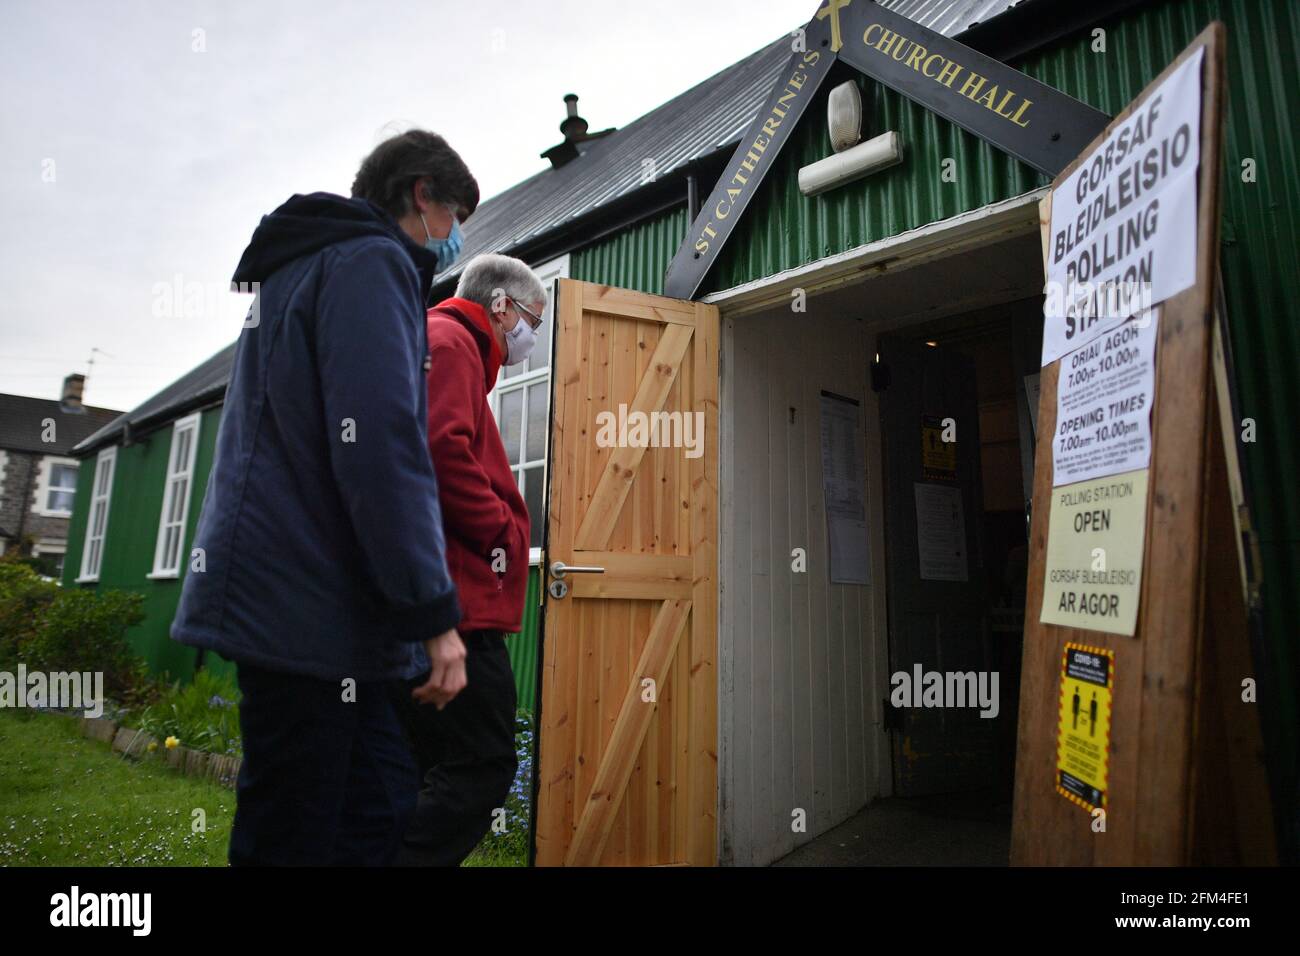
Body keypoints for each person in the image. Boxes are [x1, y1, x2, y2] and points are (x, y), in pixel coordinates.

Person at [171, 129, 479, 866]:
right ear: (421, 195)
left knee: (370, 804)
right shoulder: (370, 264)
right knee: (307, 826)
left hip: (312, 607)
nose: (457, 239)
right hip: (306, 610)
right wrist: (434, 614)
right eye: (457, 216)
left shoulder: (303, 269)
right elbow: (377, 445)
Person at [389, 254, 539, 866]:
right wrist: (501, 531)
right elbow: (439, 451)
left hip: (437, 598)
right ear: (500, 306)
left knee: (427, 763)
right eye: (532, 319)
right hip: (458, 605)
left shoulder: (446, 345)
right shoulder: (451, 342)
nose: (530, 338)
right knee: (483, 764)